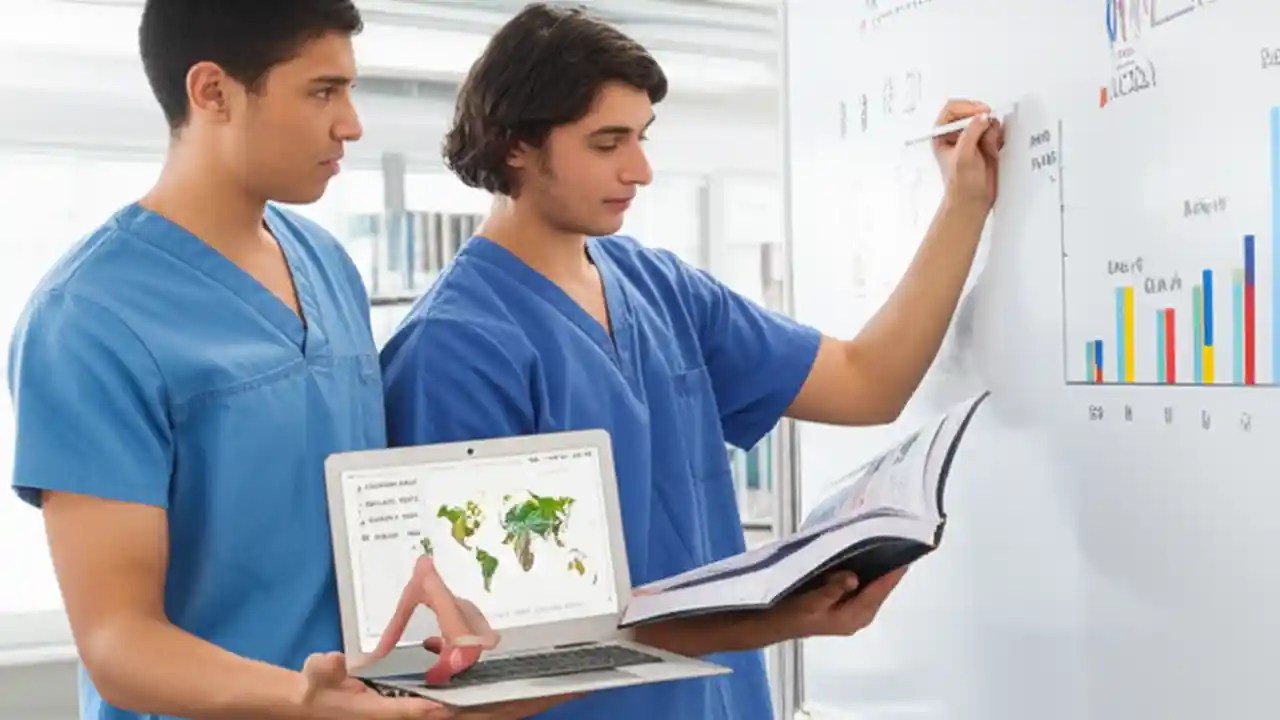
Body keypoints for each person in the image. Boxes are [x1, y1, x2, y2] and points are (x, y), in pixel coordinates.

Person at [379, 3, 1005, 720]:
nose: (640, 169)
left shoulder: (660, 288)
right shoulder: (454, 352)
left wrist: (964, 202)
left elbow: (868, 384)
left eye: (642, 137)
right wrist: (778, 620)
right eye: (608, 142)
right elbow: (496, 667)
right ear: (515, 145)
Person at [6, 2, 524, 718]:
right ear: (212, 92)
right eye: (322, 91)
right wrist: (304, 702)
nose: (352, 123)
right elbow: (117, 641)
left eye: (348, 90)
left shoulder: (328, 265)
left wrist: (438, 606)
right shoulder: (89, 319)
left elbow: (340, 526)